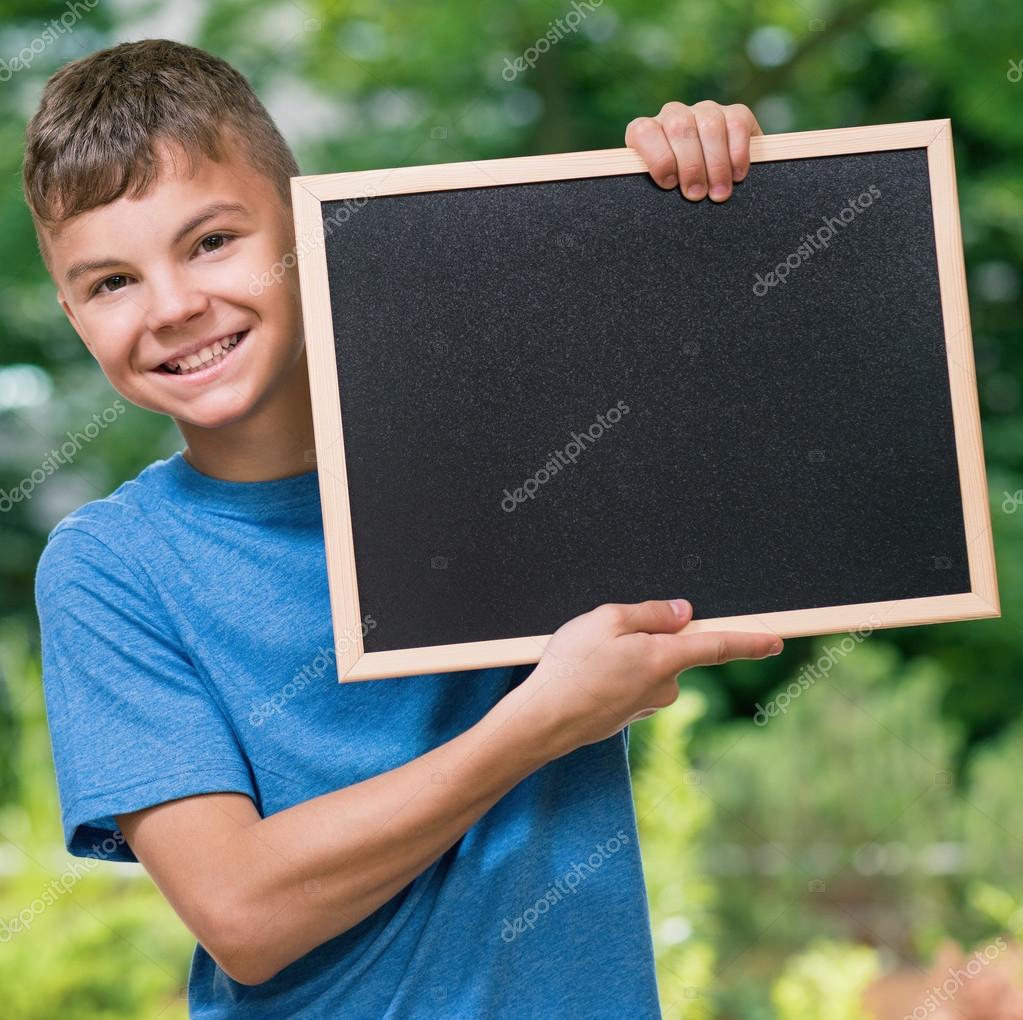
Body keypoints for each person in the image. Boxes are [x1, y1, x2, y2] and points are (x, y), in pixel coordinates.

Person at [27, 38, 781, 1018]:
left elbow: (742, 390)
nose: (173, 306)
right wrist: (541, 722)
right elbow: (245, 916)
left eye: (212, 242)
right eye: (110, 282)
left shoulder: (527, 455)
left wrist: (707, 191)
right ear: (74, 315)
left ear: (305, 225)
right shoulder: (109, 567)